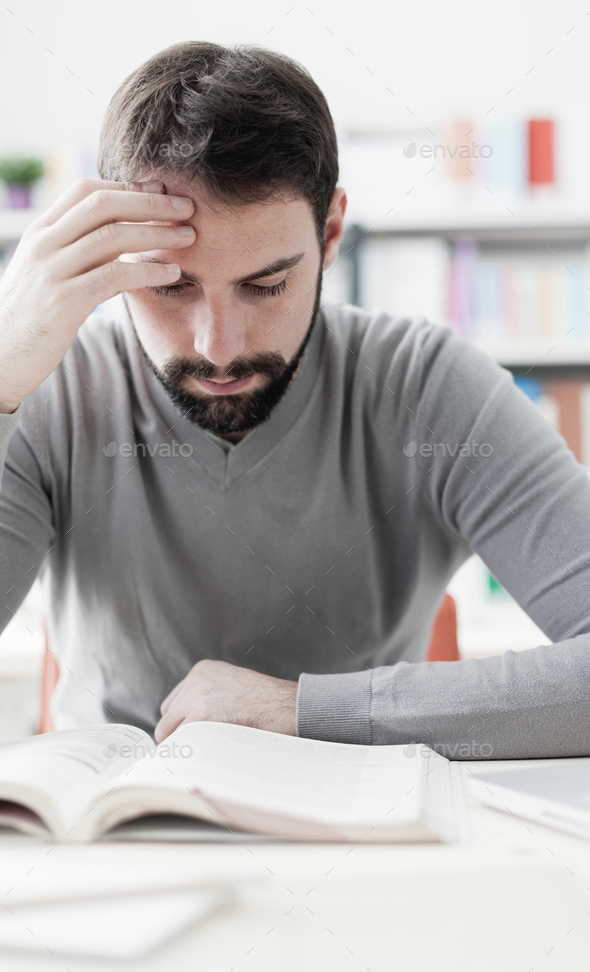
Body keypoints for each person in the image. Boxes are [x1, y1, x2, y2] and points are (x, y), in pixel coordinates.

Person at [1, 41, 589, 759]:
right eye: (171, 287)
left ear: (331, 234)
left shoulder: (429, 387)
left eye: (266, 285)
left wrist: (301, 711)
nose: (218, 347)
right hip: (110, 848)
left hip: (368, 842)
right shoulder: (45, 390)